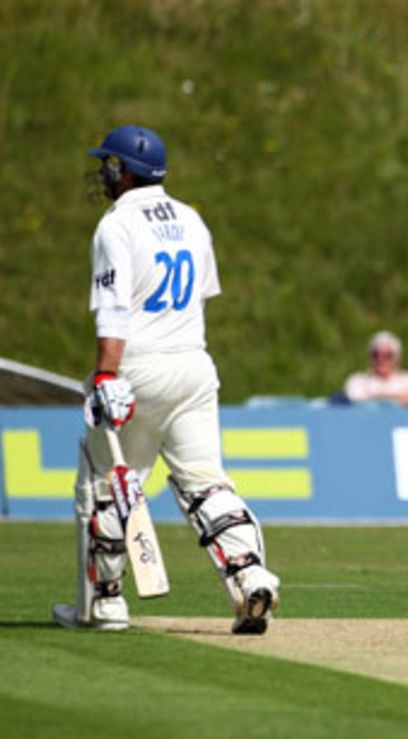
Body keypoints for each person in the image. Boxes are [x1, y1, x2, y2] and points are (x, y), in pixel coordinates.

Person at [53, 125, 279, 634]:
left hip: (139, 368)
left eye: (108, 165)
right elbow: (199, 297)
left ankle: (104, 603)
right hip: (194, 366)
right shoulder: (192, 220)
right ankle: (250, 579)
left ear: (122, 171)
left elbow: (113, 311)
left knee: (105, 485)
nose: (103, 173)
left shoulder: (116, 225)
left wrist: (107, 376)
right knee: (205, 483)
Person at [342, 330, 408, 406]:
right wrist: (400, 398)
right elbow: (356, 402)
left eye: (388, 355)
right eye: (376, 355)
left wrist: (375, 397)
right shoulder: (357, 381)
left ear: (398, 358)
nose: (381, 360)